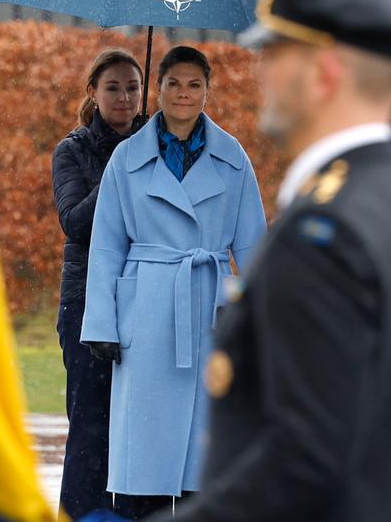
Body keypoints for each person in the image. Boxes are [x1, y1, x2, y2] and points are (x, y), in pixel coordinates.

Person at [165, 0, 391, 521]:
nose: (258, 73)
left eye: (275, 55)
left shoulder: (328, 231)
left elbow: (303, 461)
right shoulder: (389, 203)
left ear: (323, 74)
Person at [81, 45, 267, 518]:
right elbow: (106, 244)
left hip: (209, 310)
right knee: (145, 449)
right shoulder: (126, 157)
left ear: (208, 91)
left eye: (194, 84)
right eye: (174, 84)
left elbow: (253, 247)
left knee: (203, 457)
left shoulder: (233, 157)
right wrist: (102, 323)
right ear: (158, 89)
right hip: (146, 310)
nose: (184, 94)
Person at [51, 48, 144, 519]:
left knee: (140, 427)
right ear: (92, 92)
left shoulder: (161, 143)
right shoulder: (72, 151)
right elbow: (75, 222)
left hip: (145, 300)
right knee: (90, 427)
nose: (125, 97)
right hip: (86, 302)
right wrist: (119, 166)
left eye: (133, 86)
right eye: (113, 87)